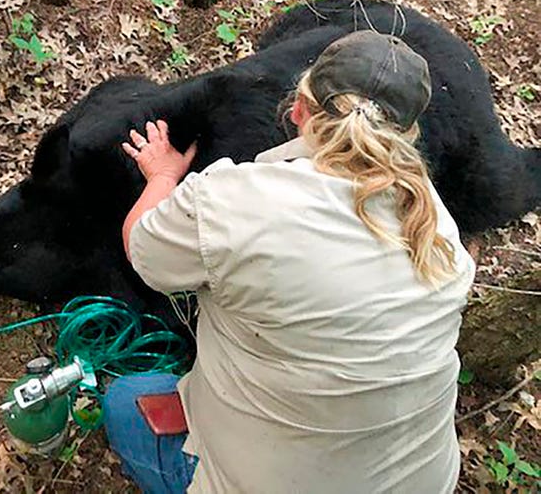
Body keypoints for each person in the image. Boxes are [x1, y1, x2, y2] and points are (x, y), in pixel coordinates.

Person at [106, 31, 476, 493]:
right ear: (406, 137)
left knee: (125, 402)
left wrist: (162, 175)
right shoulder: (437, 230)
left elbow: (143, 248)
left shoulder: (236, 200)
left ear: (299, 108)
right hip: (425, 483)